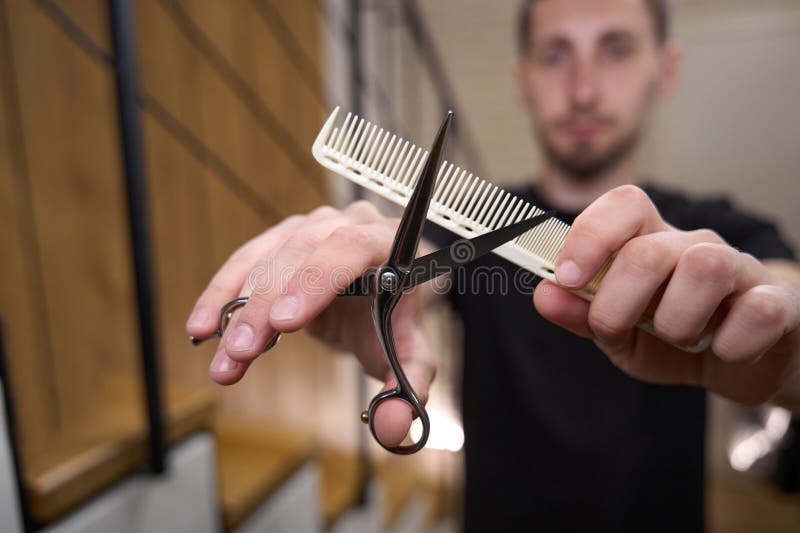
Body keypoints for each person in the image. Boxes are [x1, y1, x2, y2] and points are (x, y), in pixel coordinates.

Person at [186, 0, 800, 530]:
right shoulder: (453, 226)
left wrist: (786, 361)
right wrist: (359, 271)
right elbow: (420, 257)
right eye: (556, 55)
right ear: (523, 80)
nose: (583, 88)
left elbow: (783, 293)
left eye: (614, 50)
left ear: (663, 71)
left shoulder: (723, 236)